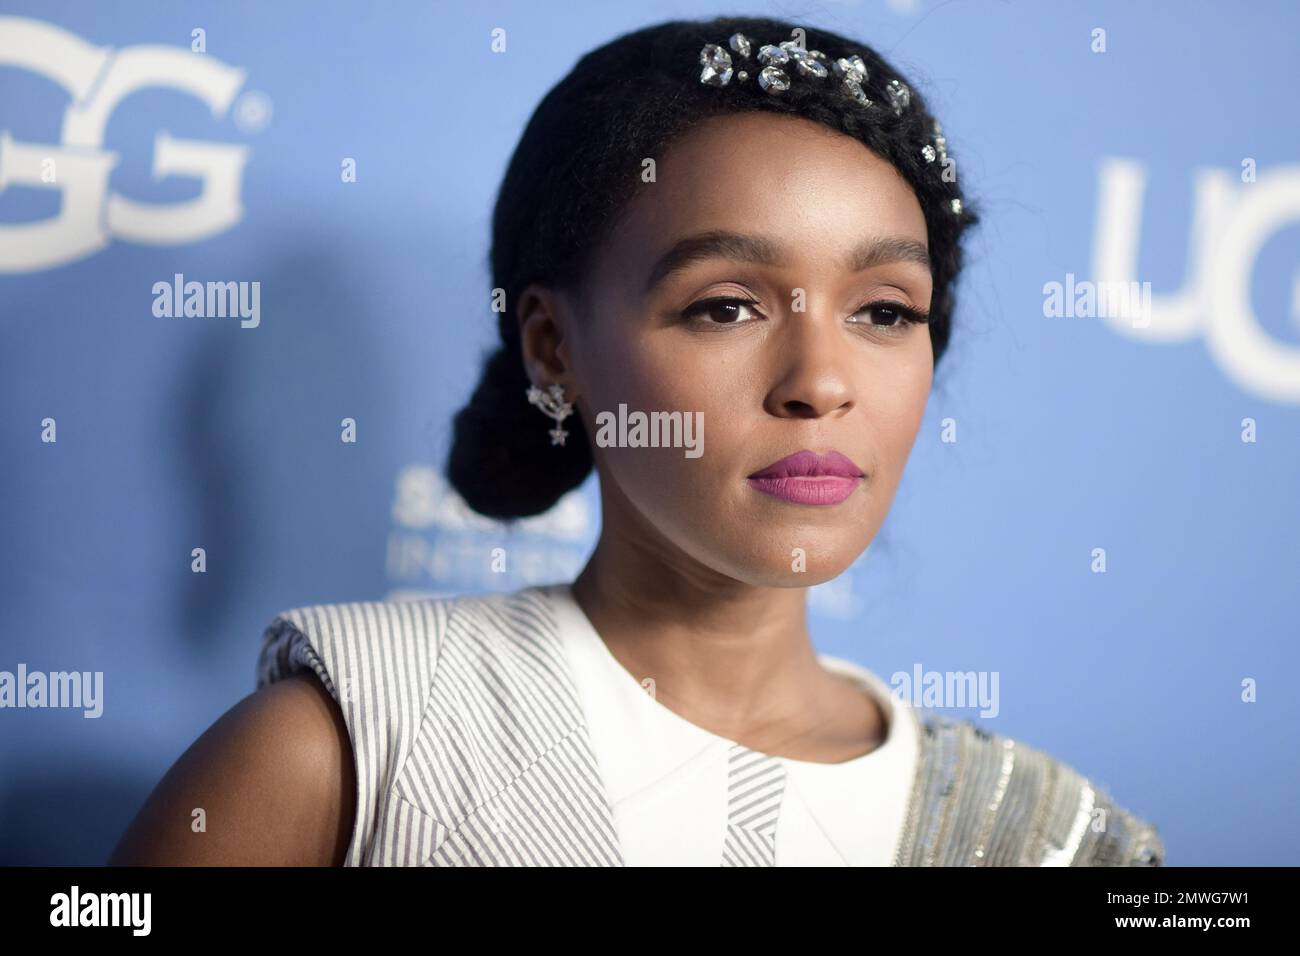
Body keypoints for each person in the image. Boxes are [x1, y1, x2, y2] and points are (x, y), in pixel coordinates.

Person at [109, 14, 1165, 867]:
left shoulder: (1054, 838)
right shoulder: (350, 744)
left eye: (884, 310)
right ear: (554, 348)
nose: (821, 382)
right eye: (725, 306)